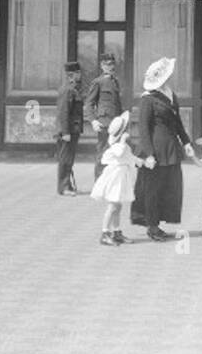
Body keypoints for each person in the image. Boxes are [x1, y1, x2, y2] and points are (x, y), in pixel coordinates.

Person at [130, 56, 196, 240]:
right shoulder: (147, 99)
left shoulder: (170, 94)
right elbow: (143, 128)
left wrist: (187, 142)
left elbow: (177, 122)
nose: (169, 78)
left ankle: (158, 223)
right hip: (154, 150)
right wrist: (149, 154)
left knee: (169, 187)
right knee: (152, 189)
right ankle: (151, 226)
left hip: (170, 148)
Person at [89, 111, 141, 246]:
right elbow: (120, 153)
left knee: (118, 206)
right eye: (126, 128)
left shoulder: (124, 146)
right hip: (115, 178)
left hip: (121, 178)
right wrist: (123, 140)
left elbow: (129, 157)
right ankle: (104, 233)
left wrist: (143, 162)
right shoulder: (116, 146)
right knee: (112, 206)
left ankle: (116, 232)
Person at [83, 52, 123, 181]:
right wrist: (93, 121)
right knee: (103, 152)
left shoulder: (115, 82)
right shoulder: (98, 82)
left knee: (114, 153)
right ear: (102, 66)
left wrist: (122, 121)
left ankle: (110, 181)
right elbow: (89, 104)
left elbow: (118, 104)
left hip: (116, 124)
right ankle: (99, 182)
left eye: (113, 64)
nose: (111, 67)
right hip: (104, 123)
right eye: (108, 64)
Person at [55, 60, 84, 195]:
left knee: (69, 159)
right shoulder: (67, 90)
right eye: (77, 73)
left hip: (73, 130)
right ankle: (64, 187)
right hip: (67, 131)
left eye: (79, 72)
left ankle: (68, 185)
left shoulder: (73, 89)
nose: (80, 75)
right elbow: (63, 112)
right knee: (65, 159)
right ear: (70, 75)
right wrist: (65, 132)